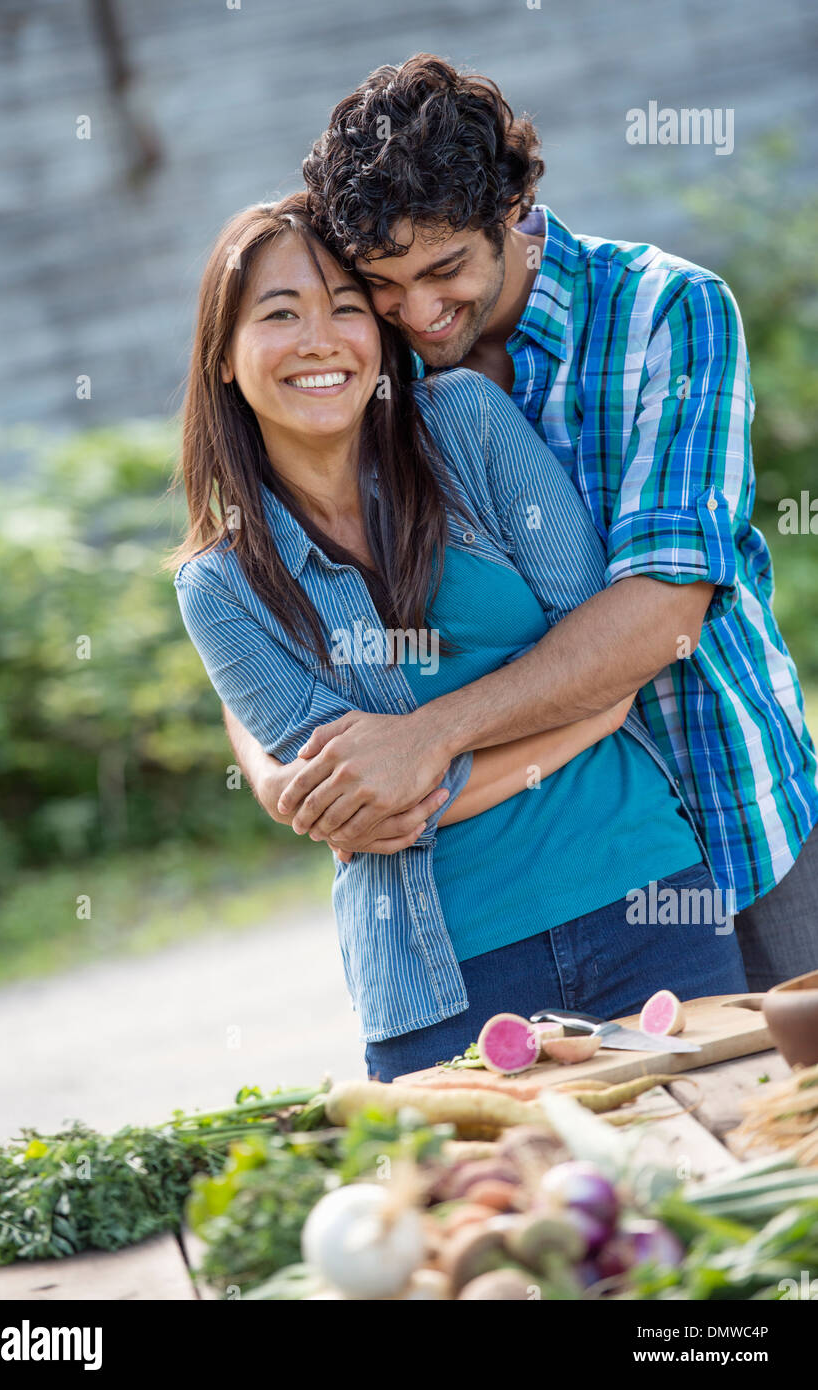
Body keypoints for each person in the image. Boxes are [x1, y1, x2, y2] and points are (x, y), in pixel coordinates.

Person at [225, 54, 818, 994]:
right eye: (382, 282)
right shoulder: (368, 361)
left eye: (445, 269)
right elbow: (263, 590)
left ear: (511, 207)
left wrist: (427, 737)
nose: (418, 312)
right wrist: (281, 774)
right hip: (548, 877)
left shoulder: (664, 309)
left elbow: (665, 609)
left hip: (731, 808)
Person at [173, 195, 747, 1080]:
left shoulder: (467, 423)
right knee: (491, 1215)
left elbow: (613, 653)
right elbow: (360, 813)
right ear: (221, 358)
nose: (320, 338)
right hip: (440, 974)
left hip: (640, 896)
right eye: (280, 314)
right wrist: (582, 715)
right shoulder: (218, 588)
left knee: (709, 1180)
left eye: (346, 307)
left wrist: (427, 753)